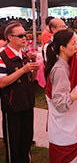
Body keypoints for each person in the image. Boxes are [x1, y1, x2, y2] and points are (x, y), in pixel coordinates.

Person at [45, 29, 77, 162]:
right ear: (62, 48)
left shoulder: (67, 64)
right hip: (63, 129)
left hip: (67, 126)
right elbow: (60, 102)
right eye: (73, 44)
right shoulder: (60, 70)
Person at [0, 21, 40, 163]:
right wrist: (23, 69)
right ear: (10, 37)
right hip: (12, 106)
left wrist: (34, 68)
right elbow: (2, 82)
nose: (24, 38)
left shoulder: (24, 55)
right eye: (21, 35)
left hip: (27, 102)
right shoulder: (2, 56)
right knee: (13, 145)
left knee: (26, 140)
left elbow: (32, 79)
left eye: (25, 35)